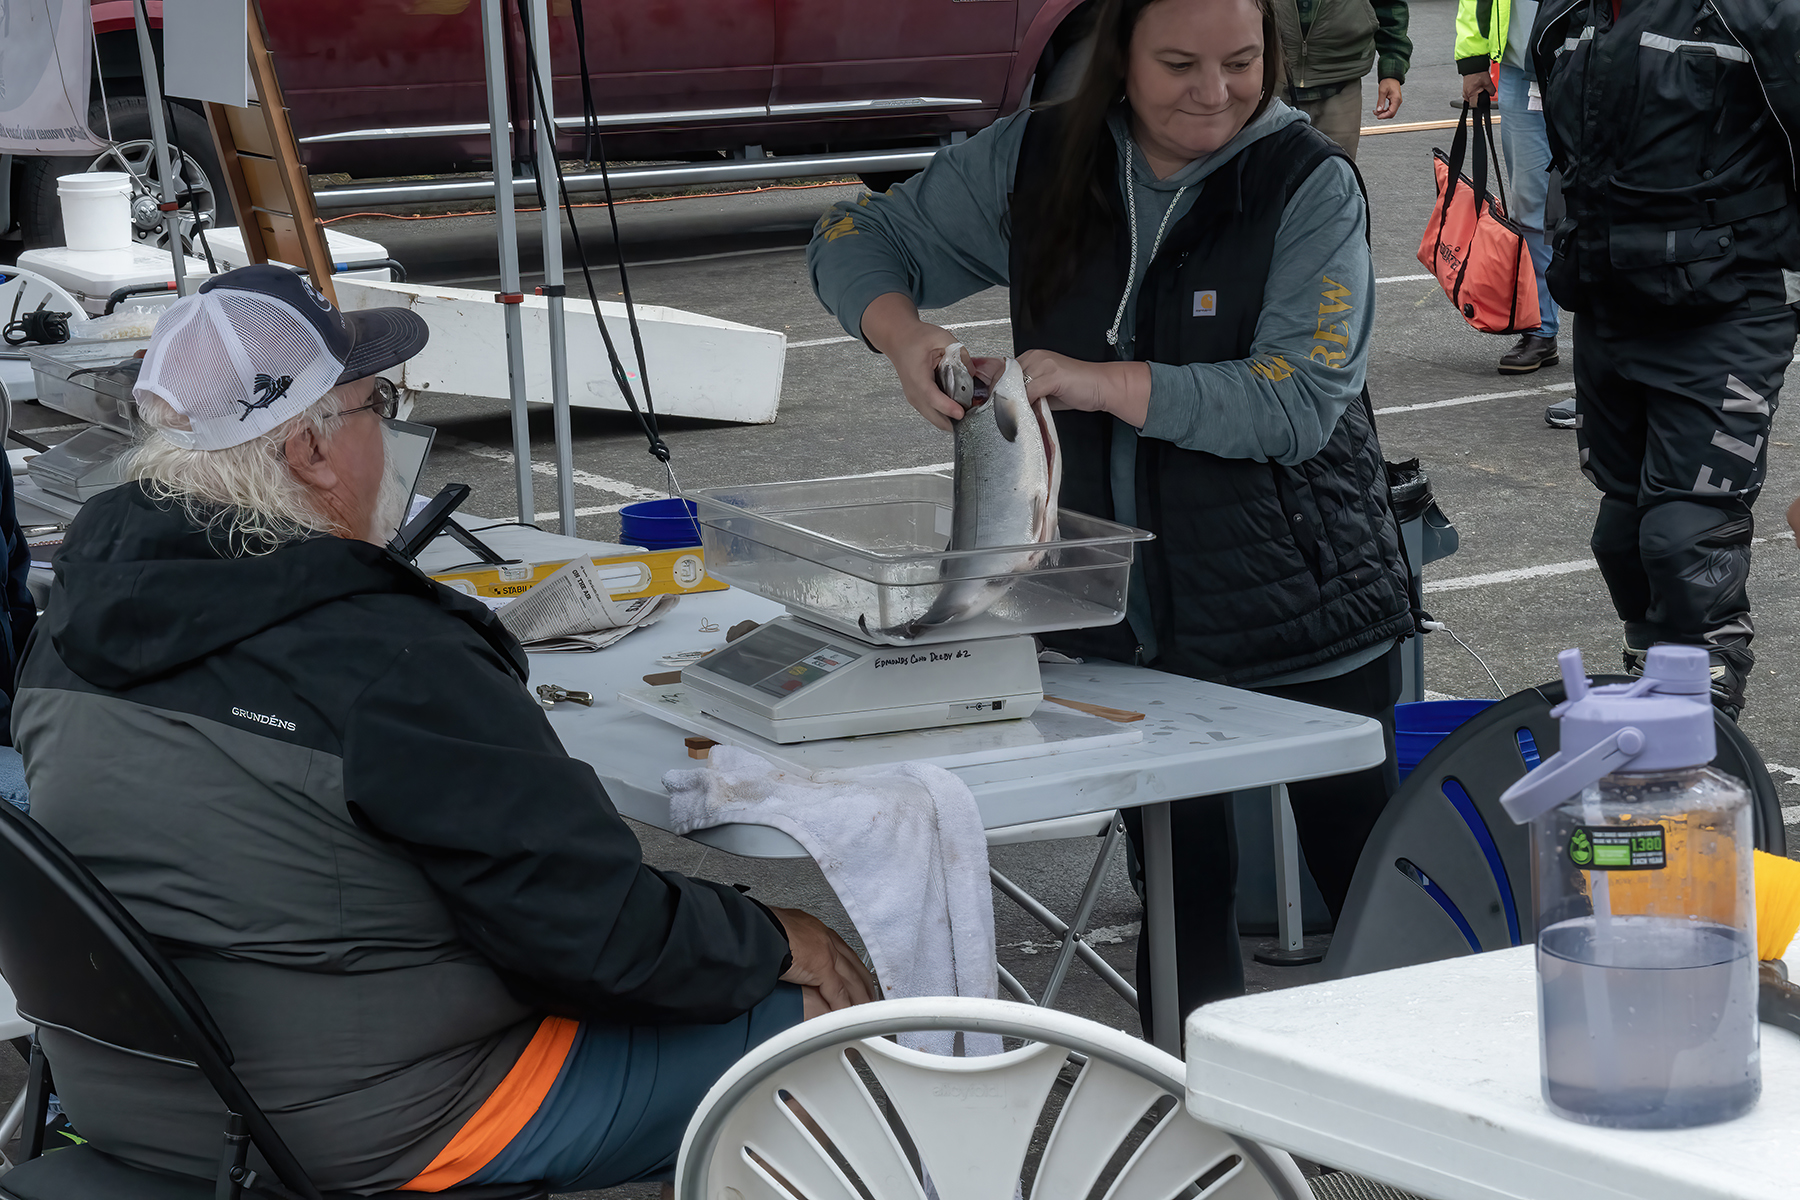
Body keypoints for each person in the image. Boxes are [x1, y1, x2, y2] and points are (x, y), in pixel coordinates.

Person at [11, 265, 872, 1194]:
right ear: (309, 449)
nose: (390, 432)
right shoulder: (386, 655)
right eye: (378, 404)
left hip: (132, 1097)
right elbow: (594, 937)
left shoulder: (72, 623)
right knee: (826, 1030)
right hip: (368, 1118)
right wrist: (772, 935)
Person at [808, 0, 1412, 1028]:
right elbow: (854, 233)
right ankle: (1195, 1100)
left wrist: (1104, 382)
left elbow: (1299, 402)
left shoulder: (1305, 181)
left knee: (1368, 882)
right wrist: (904, 337)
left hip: (1303, 605)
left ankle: (1413, 1102)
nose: (1214, 94)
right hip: (1117, 617)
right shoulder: (1036, 158)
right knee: (1181, 881)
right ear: (1116, 57)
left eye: (1243, 62)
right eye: (1178, 64)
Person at [1531, 0, 1800, 718]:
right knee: (1623, 537)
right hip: (1608, 312)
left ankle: (1705, 717)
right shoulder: (1563, 16)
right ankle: (1657, 700)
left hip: (1727, 310)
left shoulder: (1760, 14)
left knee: (1685, 540)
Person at [1457, 0, 1561, 377]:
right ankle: (1540, 327)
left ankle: (1616, 330)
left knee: (1607, 196)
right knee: (1530, 206)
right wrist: (1473, 61)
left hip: (1600, 61)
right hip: (1522, 69)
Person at [1273, 0, 1411, 158]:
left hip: (1341, 84)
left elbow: (1390, 7)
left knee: (1336, 169)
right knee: (1265, 169)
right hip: (1269, 84)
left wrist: (1392, 70)